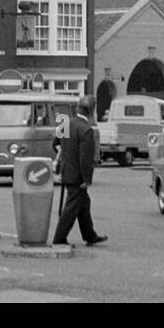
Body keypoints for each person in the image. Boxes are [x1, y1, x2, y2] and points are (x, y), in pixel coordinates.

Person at [51, 94, 107, 247]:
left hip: (66, 170)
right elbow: (85, 159)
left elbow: (55, 144)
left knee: (84, 203)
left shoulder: (65, 124)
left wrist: (64, 160)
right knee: (71, 207)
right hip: (77, 176)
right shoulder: (86, 130)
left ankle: (90, 235)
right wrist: (87, 179)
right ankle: (59, 238)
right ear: (91, 111)